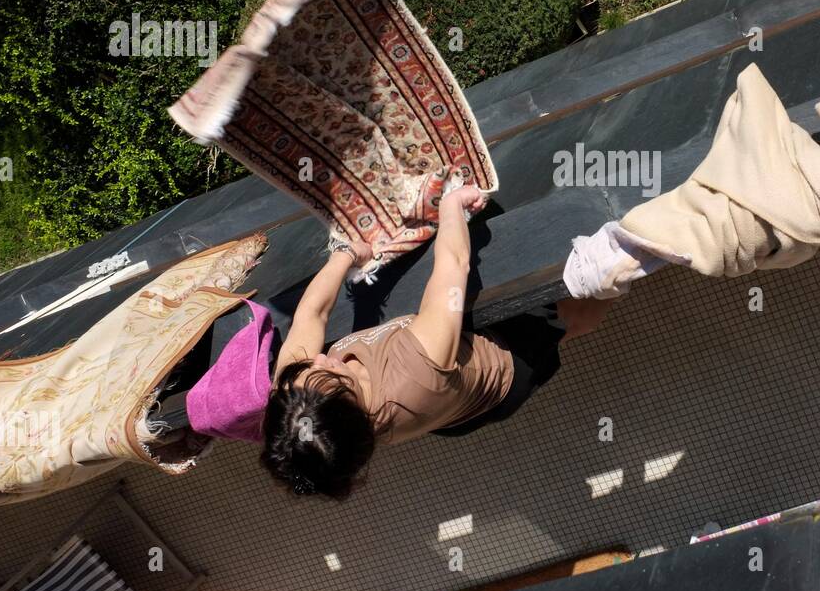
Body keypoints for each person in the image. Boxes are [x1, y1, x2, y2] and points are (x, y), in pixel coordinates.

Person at [260, 185, 612, 499]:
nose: (318, 360)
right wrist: (451, 205)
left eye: (307, 369)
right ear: (355, 412)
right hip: (503, 364)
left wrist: (347, 254)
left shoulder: (296, 394)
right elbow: (454, 263)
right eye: (329, 376)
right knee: (571, 315)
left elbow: (311, 316)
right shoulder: (414, 371)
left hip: (446, 384)